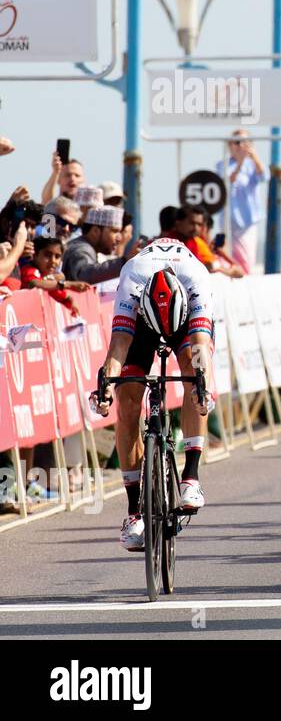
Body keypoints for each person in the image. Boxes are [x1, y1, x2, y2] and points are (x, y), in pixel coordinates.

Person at [90, 239, 215, 550]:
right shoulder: (132, 278)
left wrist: (204, 387)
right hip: (141, 327)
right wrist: (106, 387)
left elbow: (201, 346)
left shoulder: (197, 278)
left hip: (184, 324)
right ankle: (134, 512)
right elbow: (119, 344)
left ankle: (191, 477)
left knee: (193, 375)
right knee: (127, 403)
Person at [216, 128, 267, 274]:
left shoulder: (254, 164)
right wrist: (240, 163)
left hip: (247, 220)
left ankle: (243, 279)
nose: (240, 146)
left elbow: (264, 176)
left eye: (245, 142)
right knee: (224, 255)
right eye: (237, 142)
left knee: (246, 258)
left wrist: (253, 156)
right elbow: (228, 181)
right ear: (230, 145)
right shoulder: (222, 164)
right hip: (228, 219)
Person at [62, 204, 140, 283]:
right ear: (95, 231)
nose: (119, 238)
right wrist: (124, 261)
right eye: (114, 231)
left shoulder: (84, 246)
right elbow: (84, 276)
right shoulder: (81, 249)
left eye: (120, 232)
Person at [21, 237, 91, 311]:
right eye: (47, 255)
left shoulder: (49, 278)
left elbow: (60, 294)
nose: (53, 261)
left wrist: (69, 300)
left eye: (57, 256)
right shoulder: (28, 270)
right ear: (35, 255)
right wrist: (68, 284)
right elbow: (34, 284)